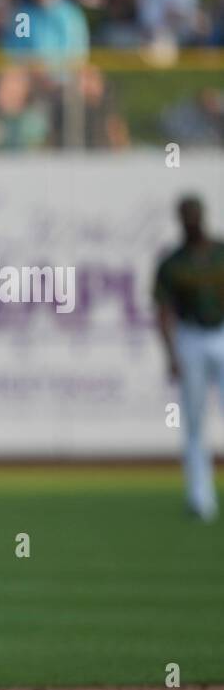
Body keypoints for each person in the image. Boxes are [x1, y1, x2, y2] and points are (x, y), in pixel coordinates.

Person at [154, 196, 224, 521]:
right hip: (192, 337)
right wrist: (171, 354)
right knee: (195, 422)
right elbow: (164, 311)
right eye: (186, 216)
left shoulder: (220, 253)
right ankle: (201, 499)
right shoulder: (173, 262)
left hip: (221, 333)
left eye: (195, 215)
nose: (191, 221)